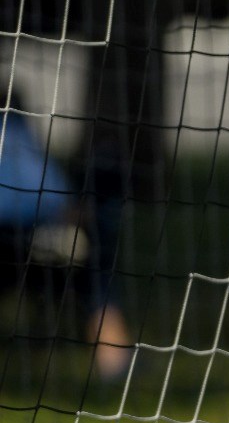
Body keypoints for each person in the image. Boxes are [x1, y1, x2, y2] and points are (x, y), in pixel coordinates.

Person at [0, 108, 133, 379]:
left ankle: (115, 360)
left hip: (31, 240)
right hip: (27, 238)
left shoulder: (16, 137)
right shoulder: (14, 133)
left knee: (92, 263)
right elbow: (57, 203)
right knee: (93, 262)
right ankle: (115, 361)